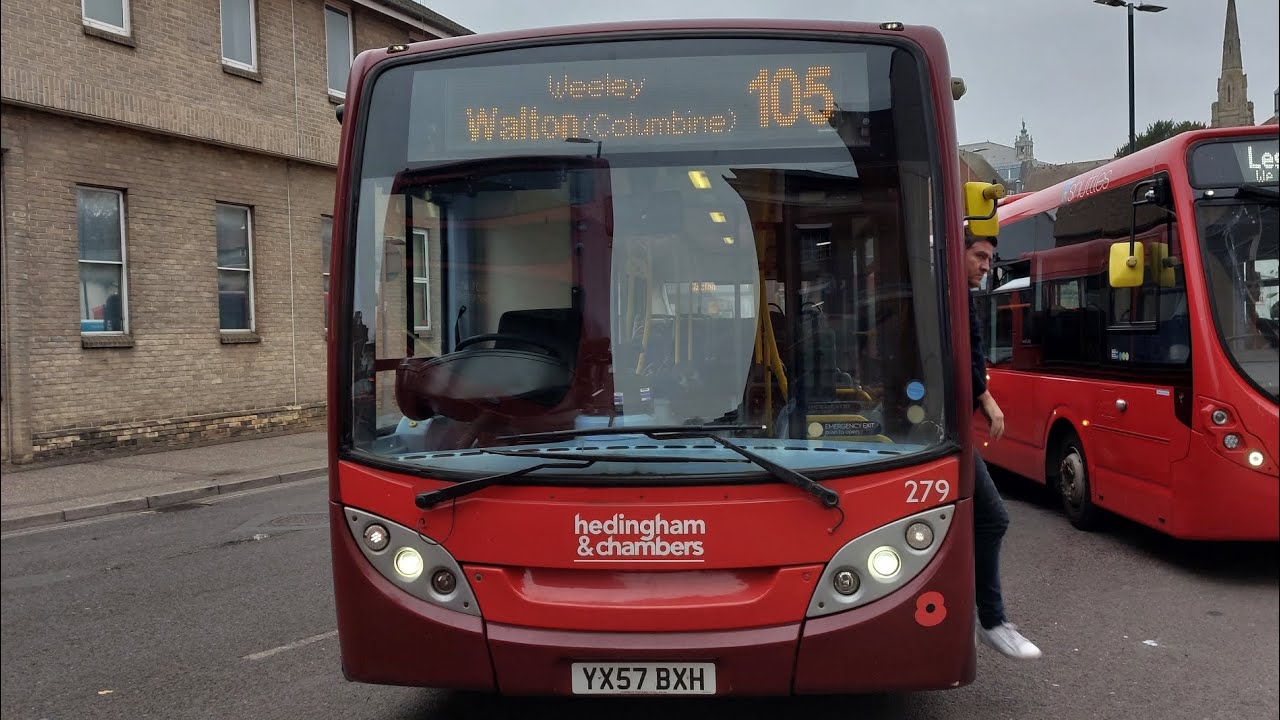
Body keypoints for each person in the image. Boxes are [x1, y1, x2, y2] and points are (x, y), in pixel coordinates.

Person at [965, 230, 1042, 660]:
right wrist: (987, 398)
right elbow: (964, 355)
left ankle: (980, 615)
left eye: (989, 259)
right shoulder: (950, 296)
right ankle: (991, 619)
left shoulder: (960, 295)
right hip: (947, 432)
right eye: (978, 256)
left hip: (950, 427)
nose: (985, 266)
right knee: (992, 518)